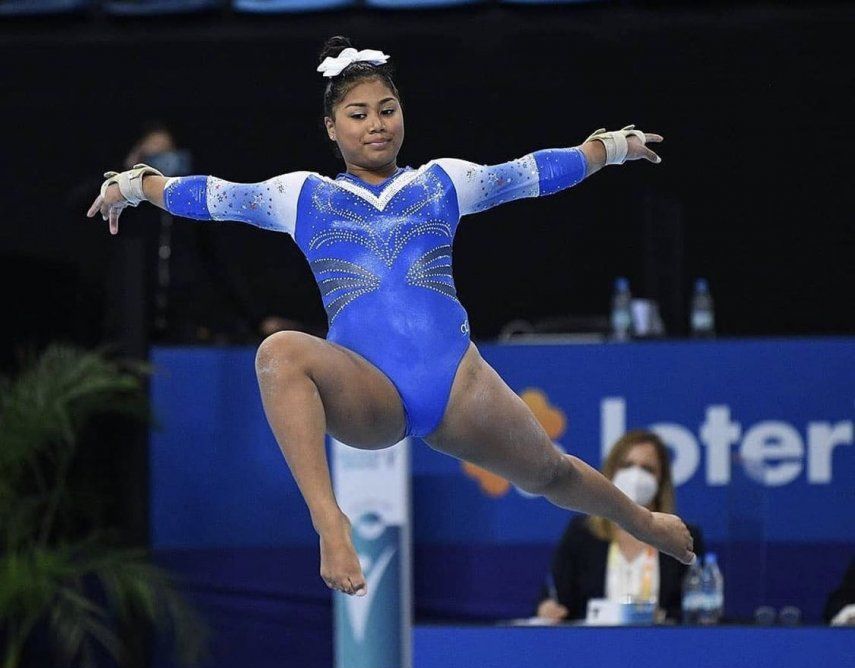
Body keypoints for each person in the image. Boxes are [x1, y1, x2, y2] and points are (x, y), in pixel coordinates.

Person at [87, 36, 693, 598]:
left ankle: (644, 521)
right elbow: (216, 196)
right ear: (331, 126)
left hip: (457, 379)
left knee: (550, 473)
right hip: (368, 389)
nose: (376, 124)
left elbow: (528, 175)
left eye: (387, 108)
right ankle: (330, 522)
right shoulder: (301, 196)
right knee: (279, 354)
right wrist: (139, 184)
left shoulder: (443, 181)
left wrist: (608, 148)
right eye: (358, 114)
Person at [535, 430, 705, 623]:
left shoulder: (681, 536)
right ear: (612, 471)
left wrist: (664, 617)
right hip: (593, 645)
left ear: (661, 479)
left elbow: (698, 611)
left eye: (648, 469)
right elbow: (555, 597)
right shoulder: (582, 533)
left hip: (661, 644)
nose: (636, 475)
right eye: (627, 465)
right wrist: (547, 607)